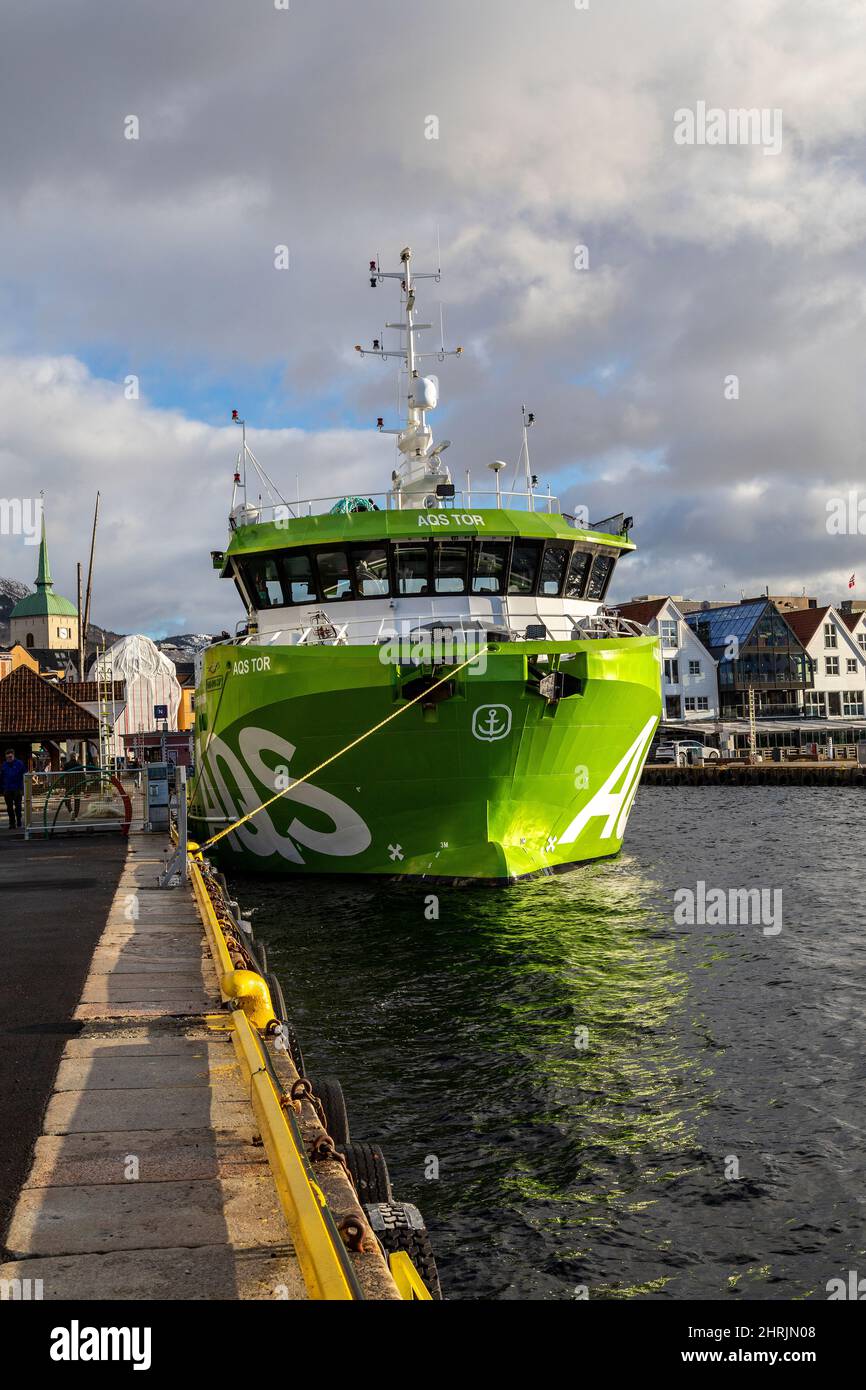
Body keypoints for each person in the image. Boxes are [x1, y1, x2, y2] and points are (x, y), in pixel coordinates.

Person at [0, 748, 25, 829]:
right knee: (9, 807)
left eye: (10, 757)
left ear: (13, 756)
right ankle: (12, 823)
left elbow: (25, 774)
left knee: (18, 806)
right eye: (7, 757)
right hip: (7, 789)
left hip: (17, 788)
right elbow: (1, 777)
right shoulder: (4, 765)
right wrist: (2, 788)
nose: (9, 759)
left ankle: (19, 821)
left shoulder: (19, 764)